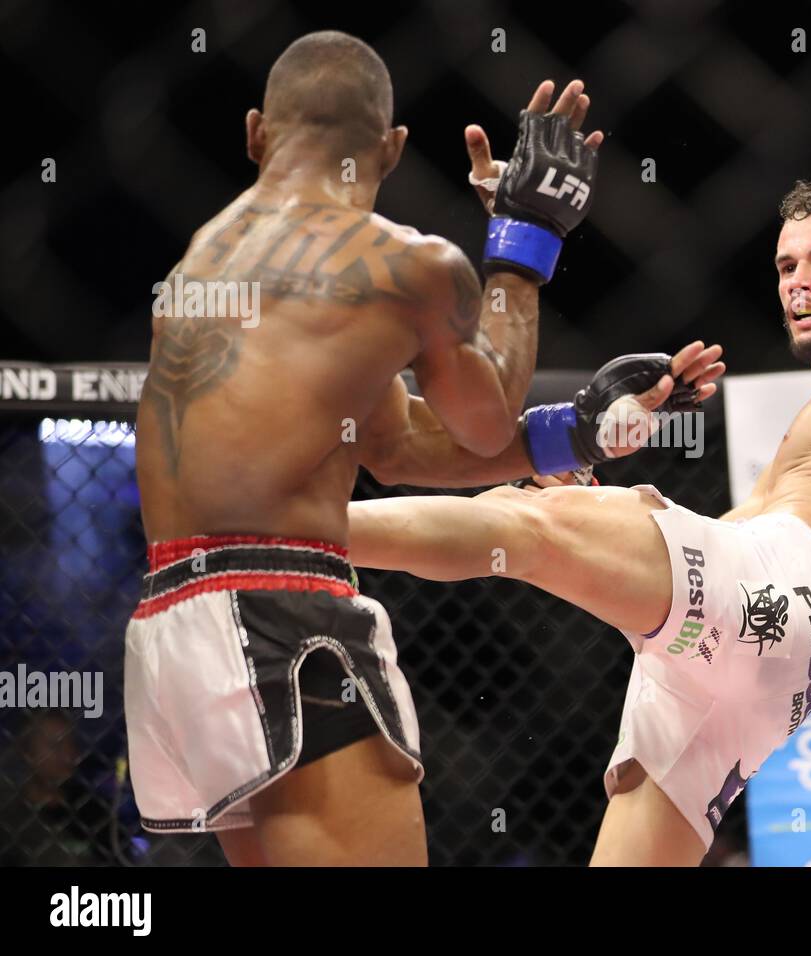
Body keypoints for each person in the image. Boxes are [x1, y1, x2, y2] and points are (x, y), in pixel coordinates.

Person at [346, 179, 811, 866]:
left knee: (521, 520)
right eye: (787, 267)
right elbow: (716, 572)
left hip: (774, 603)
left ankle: (299, 530)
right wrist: (585, 484)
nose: (799, 284)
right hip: (767, 672)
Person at [126, 29, 602, 865]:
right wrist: (525, 243)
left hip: (177, 622)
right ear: (391, 148)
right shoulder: (405, 265)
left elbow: (403, 446)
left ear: (254, 133)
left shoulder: (197, 267)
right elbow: (484, 422)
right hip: (284, 618)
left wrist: (579, 429)